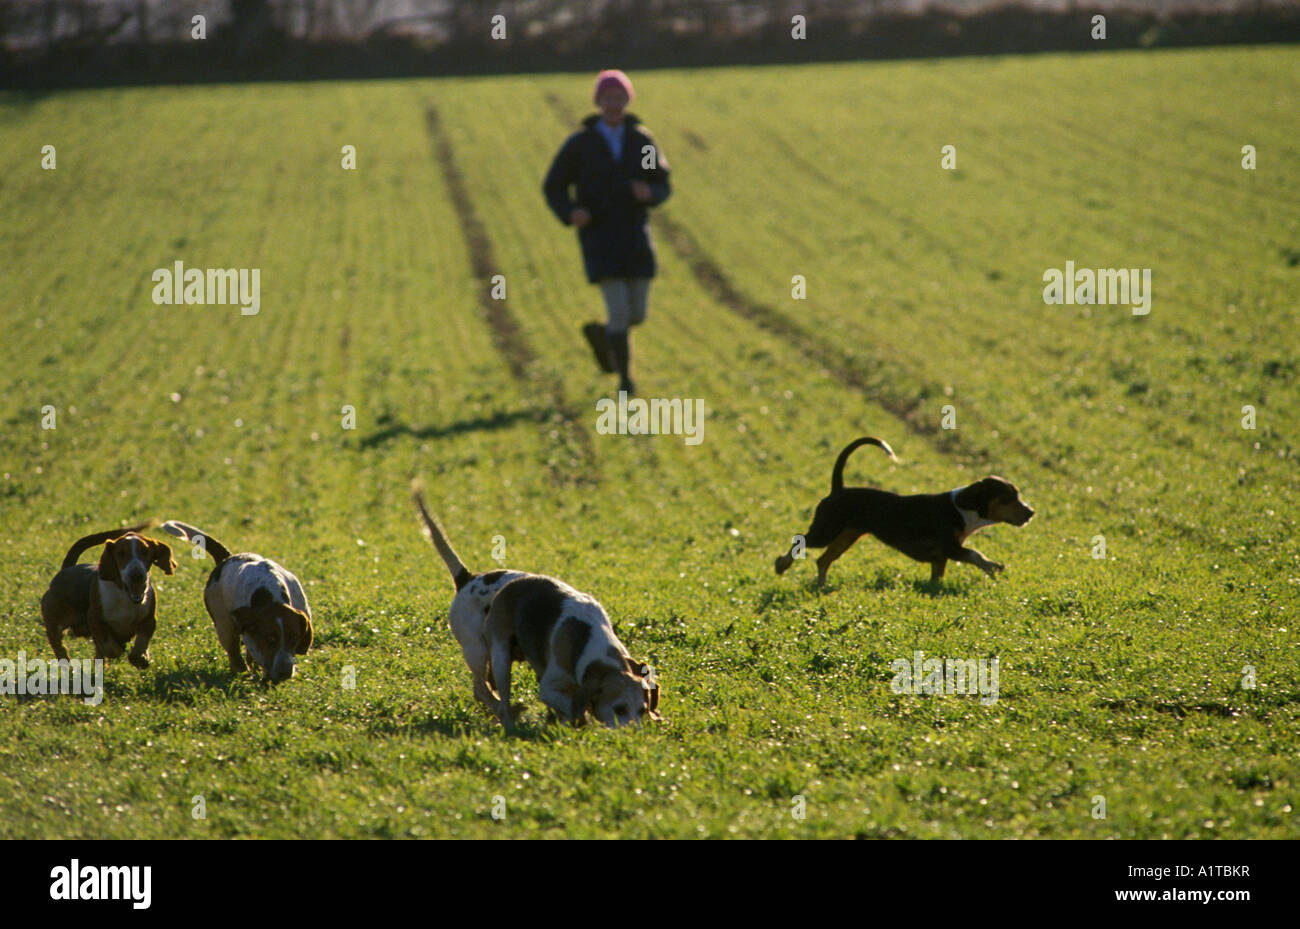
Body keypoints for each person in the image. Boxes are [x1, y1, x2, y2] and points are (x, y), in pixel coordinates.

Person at [543, 69, 672, 396]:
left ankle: (603, 336)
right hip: (600, 239)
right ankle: (625, 381)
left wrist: (652, 194)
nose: (614, 104)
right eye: (607, 98)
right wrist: (571, 212)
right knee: (618, 311)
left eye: (619, 98)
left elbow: (660, 181)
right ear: (597, 102)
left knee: (637, 315)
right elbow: (554, 186)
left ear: (628, 100)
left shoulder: (641, 141)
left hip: (635, 238)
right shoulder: (580, 145)